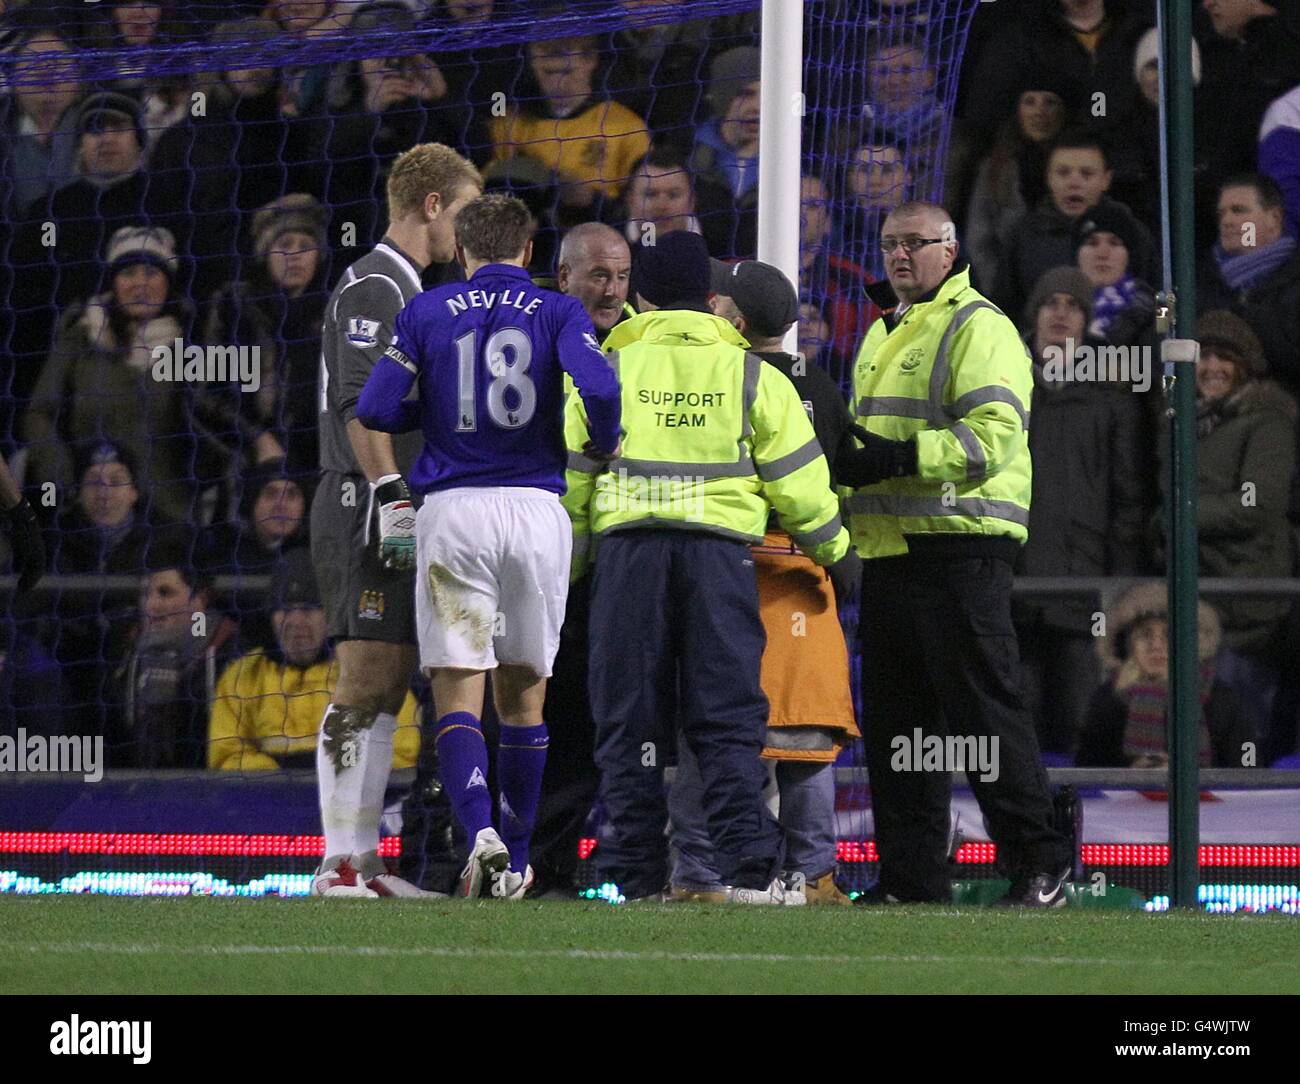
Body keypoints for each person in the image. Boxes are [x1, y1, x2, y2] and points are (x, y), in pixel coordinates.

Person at [564, 231, 857, 904]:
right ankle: (748, 867)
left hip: (629, 557)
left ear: (640, 296)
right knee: (726, 717)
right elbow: (800, 486)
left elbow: (575, 477)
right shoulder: (751, 372)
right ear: (712, 300)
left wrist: (575, 575)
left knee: (627, 723)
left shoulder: (607, 365)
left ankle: (635, 873)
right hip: (721, 562)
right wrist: (839, 556)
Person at [356, 193, 622, 899]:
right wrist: (604, 435)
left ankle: (479, 836)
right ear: (528, 253)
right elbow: (597, 380)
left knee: (457, 691)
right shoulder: (559, 310)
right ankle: (521, 855)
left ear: (464, 251)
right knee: (526, 697)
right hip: (537, 511)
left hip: (455, 515)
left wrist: (435, 405)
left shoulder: (423, 311)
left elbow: (376, 408)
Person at [841, 200, 1072, 906]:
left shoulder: (980, 325)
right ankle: (912, 878)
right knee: (898, 729)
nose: (901, 256)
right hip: (892, 553)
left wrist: (896, 458)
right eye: (890, 244)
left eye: (915, 243)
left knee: (985, 719)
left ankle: (1041, 863)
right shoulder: (889, 330)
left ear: (951, 249)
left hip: (961, 549)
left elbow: (996, 434)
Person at [309, 142, 482, 899]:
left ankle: (362, 865)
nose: (467, 231)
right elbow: (356, 403)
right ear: (433, 205)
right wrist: (388, 492)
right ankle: (339, 864)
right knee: (364, 678)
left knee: (386, 684)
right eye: (466, 211)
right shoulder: (376, 284)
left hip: (392, 501)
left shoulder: (411, 286)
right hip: (361, 502)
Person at [666, 260, 860, 905]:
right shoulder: (825, 387)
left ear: (736, 320)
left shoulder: (720, 378)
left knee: (713, 734)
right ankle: (814, 875)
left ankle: (696, 874)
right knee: (805, 733)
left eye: (718, 300)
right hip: (807, 571)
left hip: (728, 567)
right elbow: (840, 475)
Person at [526, 222, 632, 898]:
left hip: (594, 579)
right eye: (598, 275)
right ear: (563, 276)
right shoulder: (526, 344)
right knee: (506, 717)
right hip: (525, 567)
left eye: (621, 276)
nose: (612, 289)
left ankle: (556, 867)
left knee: (576, 726)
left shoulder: (637, 348)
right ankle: (470, 855)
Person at [1015, 268, 1152, 755]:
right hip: (1017, 585)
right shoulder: (1004, 384)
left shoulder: (1109, 397)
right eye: (1050, 302)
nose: (1060, 312)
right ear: (1035, 314)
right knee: (1018, 725)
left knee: (1079, 723)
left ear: (1086, 320)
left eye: (1072, 304)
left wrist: (1118, 584)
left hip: (1083, 586)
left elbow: (1128, 496)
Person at [1156, 310, 1297, 732]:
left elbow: (1258, 503)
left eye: (1225, 358)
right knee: (1197, 731)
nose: (1212, 367)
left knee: (1242, 728)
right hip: (1193, 596)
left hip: (1245, 603)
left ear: (1244, 365)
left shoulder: (1267, 420)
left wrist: (1179, 518)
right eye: (1203, 356)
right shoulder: (1182, 422)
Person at [23, 225, 199, 522]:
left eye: (152, 273)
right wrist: (63, 474)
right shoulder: (80, 337)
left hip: (167, 512)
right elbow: (39, 413)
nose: (140, 284)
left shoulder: (189, 344)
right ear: (113, 282)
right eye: (128, 274)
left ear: (168, 283)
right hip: (89, 507)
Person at [209, 548, 422, 784]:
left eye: (309, 609)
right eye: (285, 609)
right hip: (267, 801)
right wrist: (280, 779)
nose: (296, 622)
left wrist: (339, 772)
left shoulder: (369, 671)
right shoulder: (243, 675)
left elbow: (404, 754)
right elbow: (224, 756)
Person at [1076, 582, 1254, 769]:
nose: (1156, 645)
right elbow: (1087, 770)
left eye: (1168, 635)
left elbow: (1247, 772)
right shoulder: (1108, 698)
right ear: (1129, 645)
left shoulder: (1222, 699)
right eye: (1145, 635)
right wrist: (1131, 773)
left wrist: (1185, 775)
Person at [992, 130, 1155, 321]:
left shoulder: (1133, 234)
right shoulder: (1022, 236)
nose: (1074, 183)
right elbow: (1002, 309)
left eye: (1086, 174)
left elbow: (1159, 302)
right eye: (1063, 173)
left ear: (1106, 179)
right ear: (1048, 177)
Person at [490, 35, 650, 216]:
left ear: (591, 60)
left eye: (565, 71)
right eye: (549, 72)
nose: (556, 81)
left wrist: (592, 200)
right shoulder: (508, 123)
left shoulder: (626, 127)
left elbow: (645, 209)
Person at [117, 559, 239, 768]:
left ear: (199, 600)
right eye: (145, 593)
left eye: (165, 593)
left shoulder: (232, 657)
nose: (151, 605)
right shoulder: (125, 656)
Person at [1072, 201, 1156, 349]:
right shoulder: (1055, 307)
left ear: (1129, 256)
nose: (1102, 254)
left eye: (1115, 243)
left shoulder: (1155, 314)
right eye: (1092, 243)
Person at [690, 46, 761, 200]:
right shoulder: (687, 154)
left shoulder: (799, 160)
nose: (758, 107)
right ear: (723, 99)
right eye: (746, 95)